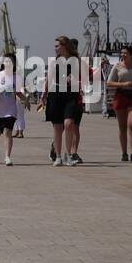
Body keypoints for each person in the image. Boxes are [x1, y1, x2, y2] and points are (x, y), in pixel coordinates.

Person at [106, 44, 132, 162]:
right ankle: (124, 152)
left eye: (125, 53)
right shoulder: (117, 66)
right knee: (122, 127)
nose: (123, 55)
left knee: (131, 124)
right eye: (121, 53)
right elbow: (109, 82)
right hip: (121, 95)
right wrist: (124, 84)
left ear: (131, 54)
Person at [45, 35, 79, 166]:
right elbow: (49, 78)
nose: (55, 48)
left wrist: (73, 78)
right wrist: (43, 95)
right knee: (57, 127)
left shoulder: (75, 60)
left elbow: (77, 75)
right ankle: (58, 156)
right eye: (54, 46)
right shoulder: (54, 61)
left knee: (69, 124)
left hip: (70, 94)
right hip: (56, 94)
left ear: (64, 46)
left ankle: (68, 154)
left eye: (57, 46)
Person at [0, 54, 23, 165]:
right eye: (6, 61)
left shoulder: (17, 77)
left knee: (8, 131)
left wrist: (25, 99)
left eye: (10, 61)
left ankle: (7, 156)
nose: (8, 63)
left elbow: (18, 92)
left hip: (10, 109)